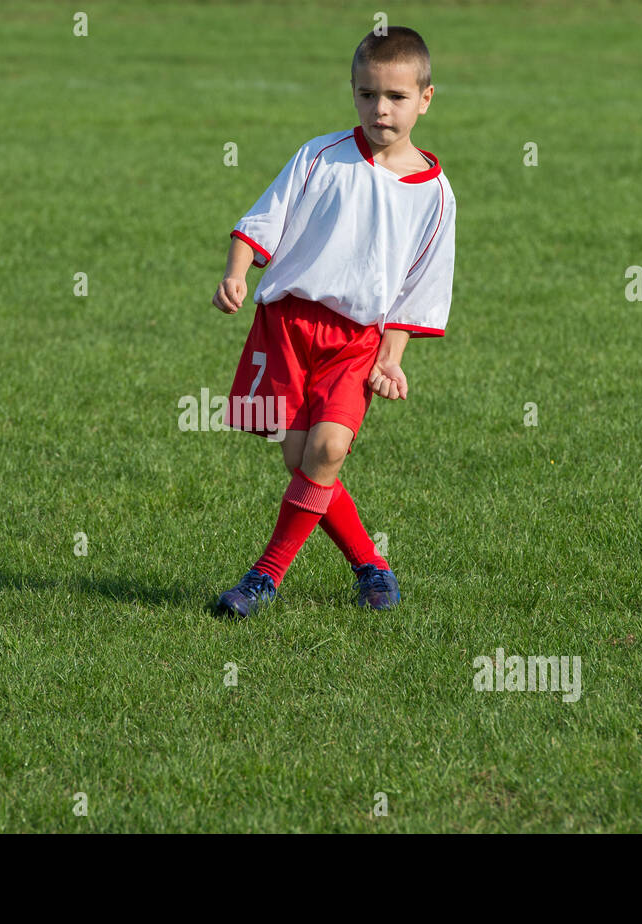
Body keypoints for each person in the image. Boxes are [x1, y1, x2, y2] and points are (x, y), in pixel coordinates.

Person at [211, 26, 456, 617]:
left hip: (356, 342)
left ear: (425, 98)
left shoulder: (436, 195)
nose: (381, 109)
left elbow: (412, 294)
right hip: (288, 327)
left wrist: (390, 359)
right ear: (353, 92)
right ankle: (373, 566)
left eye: (397, 97)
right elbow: (262, 220)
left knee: (326, 450)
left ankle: (263, 578)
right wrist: (238, 271)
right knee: (301, 461)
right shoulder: (320, 156)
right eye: (368, 94)